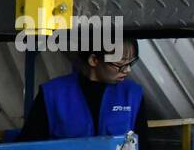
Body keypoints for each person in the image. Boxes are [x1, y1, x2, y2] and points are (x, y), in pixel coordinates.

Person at [17, 39, 149, 144]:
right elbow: (28, 149)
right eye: (120, 64)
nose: (127, 70)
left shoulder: (133, 94)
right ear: (94, 60)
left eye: (131, 63)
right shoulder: (52, 94)